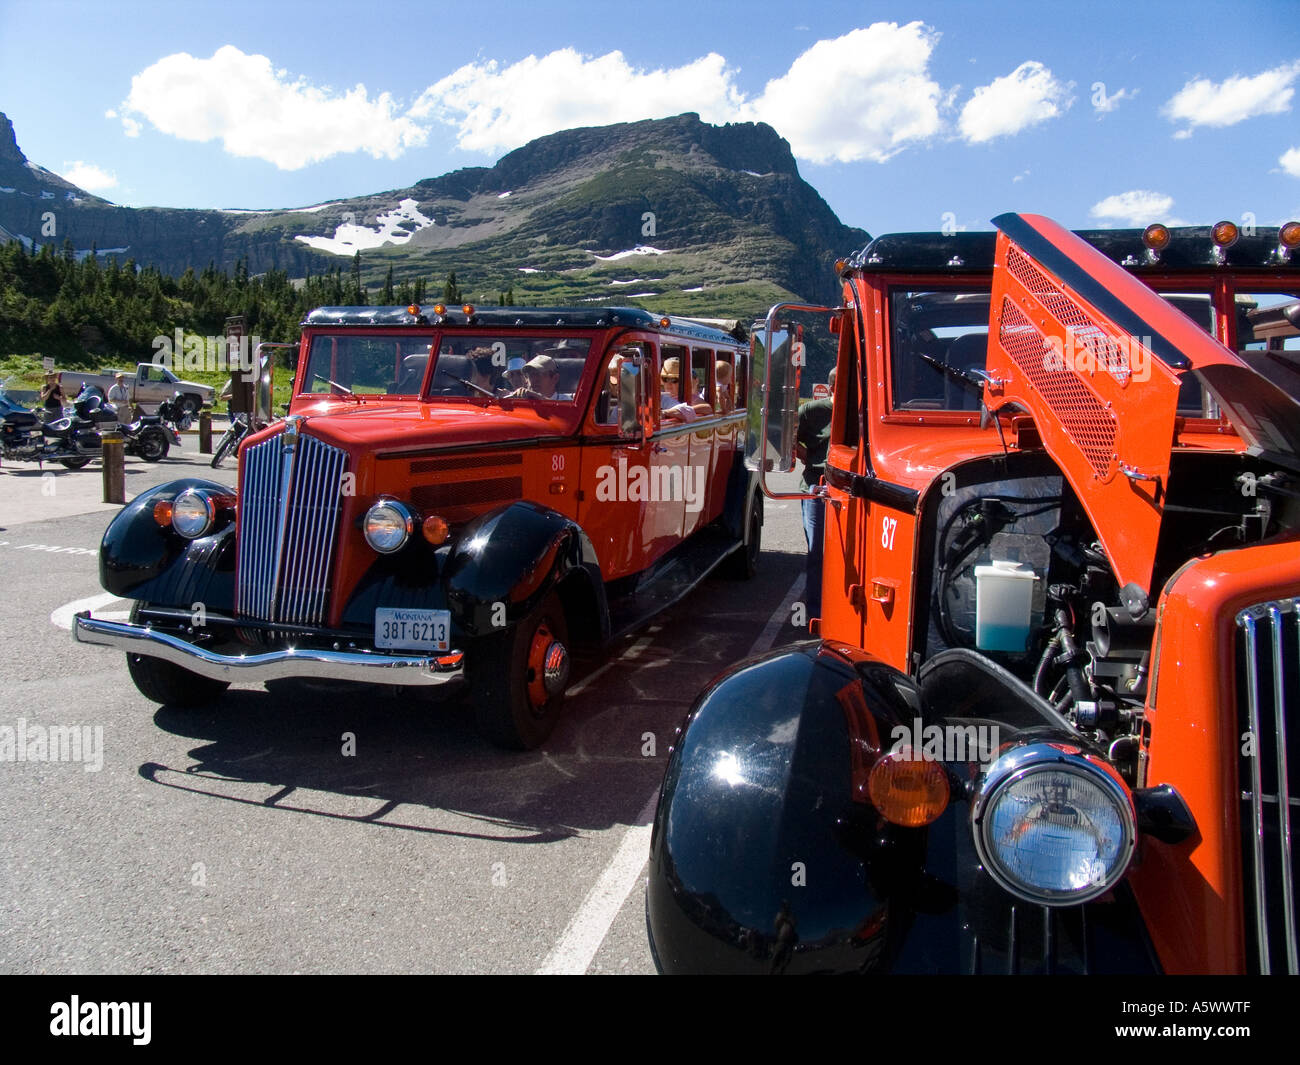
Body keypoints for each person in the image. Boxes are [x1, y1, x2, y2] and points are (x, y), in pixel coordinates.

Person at [796, 367, 836, 619]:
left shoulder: (864, 412)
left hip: (853, 487)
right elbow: (789, 439)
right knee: (817, 551)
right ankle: (816, 614)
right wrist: (810, 459)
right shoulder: (812, 411)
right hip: (817, 485)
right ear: (832, 387)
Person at [659, 356, 697, 422]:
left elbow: (707, 409)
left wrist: (664, 413)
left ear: (683, 382)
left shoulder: (691, 398)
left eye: (674, 380)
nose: (669, 384)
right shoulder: (660, 397)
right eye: (665, 379)